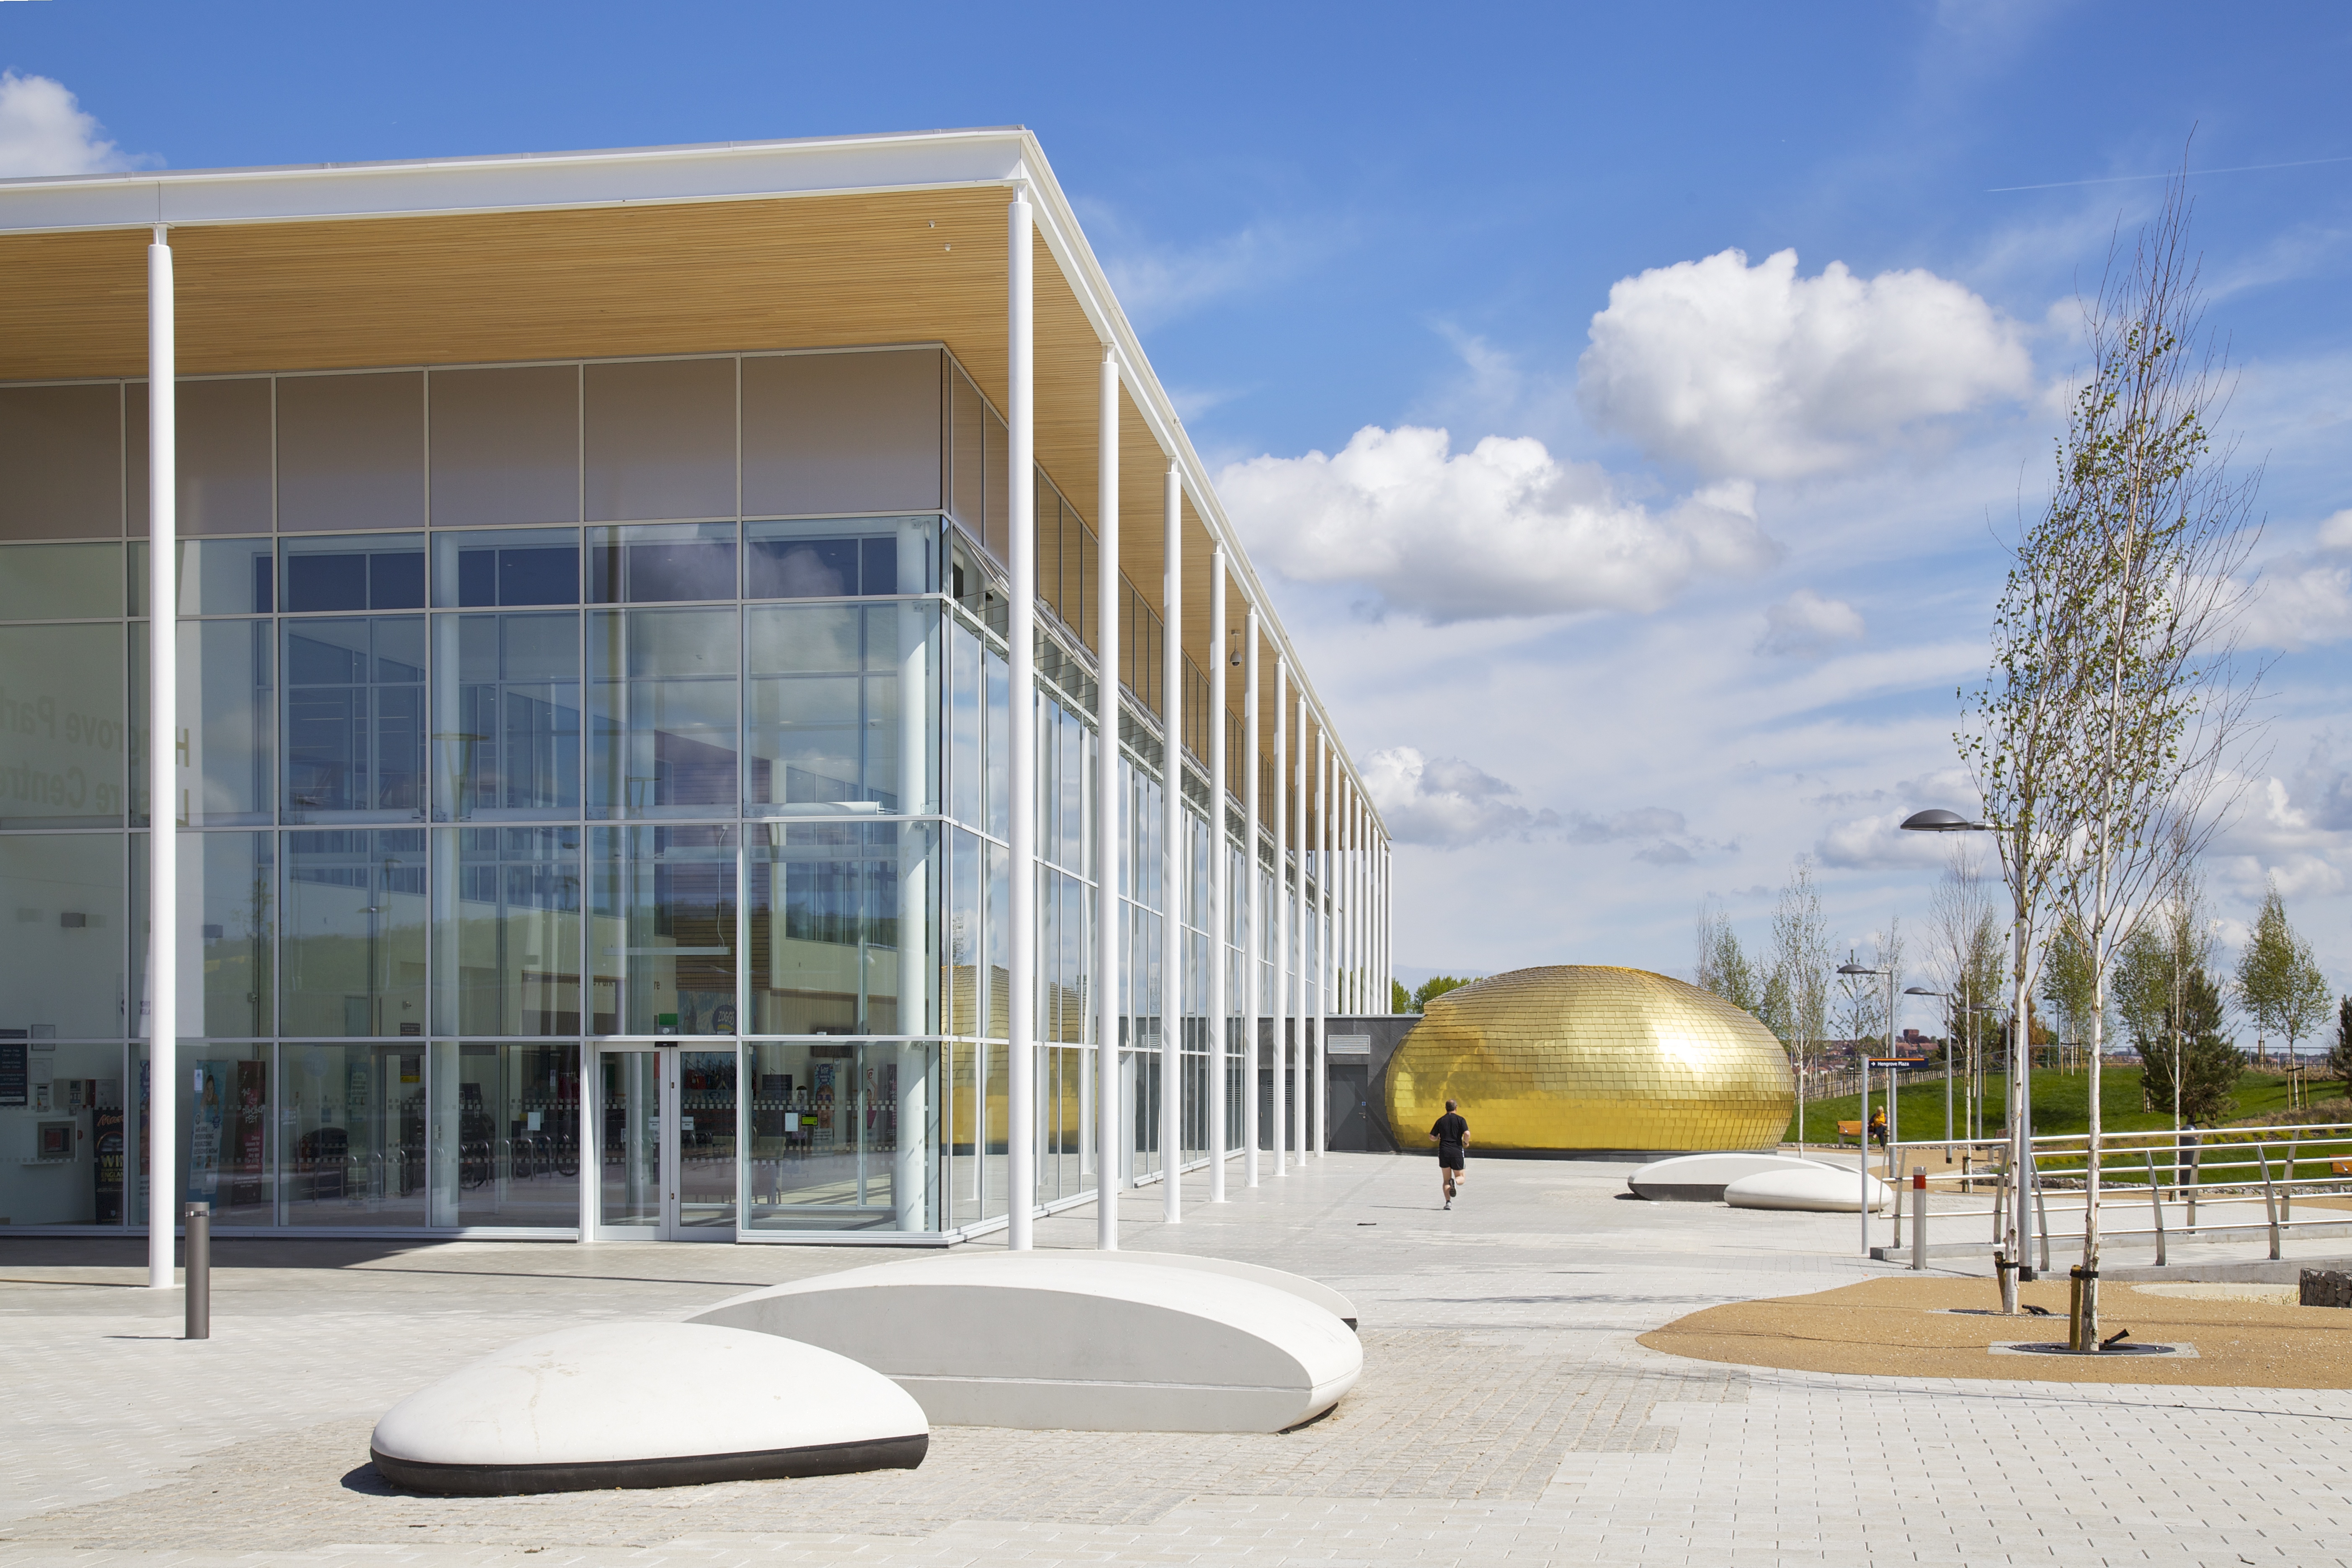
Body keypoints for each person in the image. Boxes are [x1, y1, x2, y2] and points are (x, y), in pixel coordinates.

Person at [1429, 1099, 1469, 1208]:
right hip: (1456, 1151)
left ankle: (1448, 1203)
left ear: (1446, 1108)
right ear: (1456, 1108)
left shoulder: (1441, 1121)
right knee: (1461, 1178)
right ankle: (1455, 1182)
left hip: (1444, 1152)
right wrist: (1466, 1142)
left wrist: (1438, 1138)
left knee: (1446, 1180)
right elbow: (1467, 1133)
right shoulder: (1461, 1120)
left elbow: (1432, 1137)